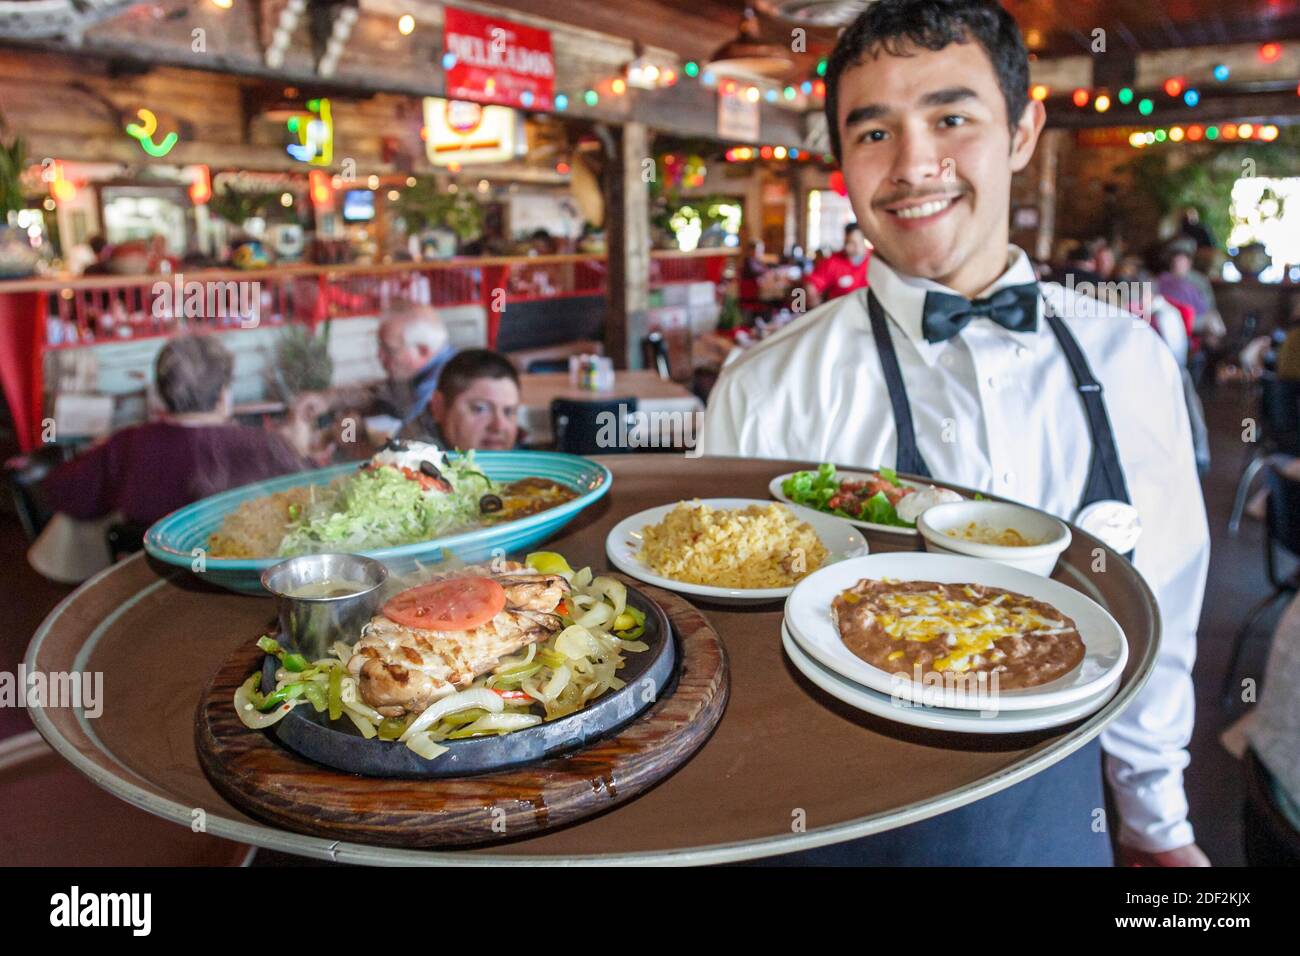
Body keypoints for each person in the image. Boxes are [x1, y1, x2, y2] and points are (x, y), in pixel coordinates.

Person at [700, 0, 1209, 866]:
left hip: (1056, 822)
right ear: (842, 162)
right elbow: (723, 653)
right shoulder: (764, 386)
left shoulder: (1133, 360)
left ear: (1021, 130)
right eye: (873, 134)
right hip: (823, 824)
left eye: (951, 118)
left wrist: (1159, 828)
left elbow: (1166, 614)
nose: (914, 165)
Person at [41, 335, 308, 528]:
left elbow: (63, 492)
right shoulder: (267, 445)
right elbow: (312, 507)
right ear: (223, 396)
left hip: (152, 583)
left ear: (161, 393)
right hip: (246, 584)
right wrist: (301, 449)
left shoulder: (126, 444)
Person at [401, 348, 521, 450]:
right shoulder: (407, 459)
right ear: (438, 407)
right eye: (480, 409)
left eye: (508, 411)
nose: (498, 426)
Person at [374, 302, 457, 429]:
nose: (379, 356)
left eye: (390, 350)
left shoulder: (434, 386)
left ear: (422, 350)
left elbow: (408, 445)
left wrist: (357, 440)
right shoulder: (449, 359)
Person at [804, 221, 871, 307]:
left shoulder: (877, 261)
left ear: (864, 241)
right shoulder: (833, 261)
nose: (847, 247)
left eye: (853, 243)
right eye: (846, 242)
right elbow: (812, 285)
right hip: (838, 314)